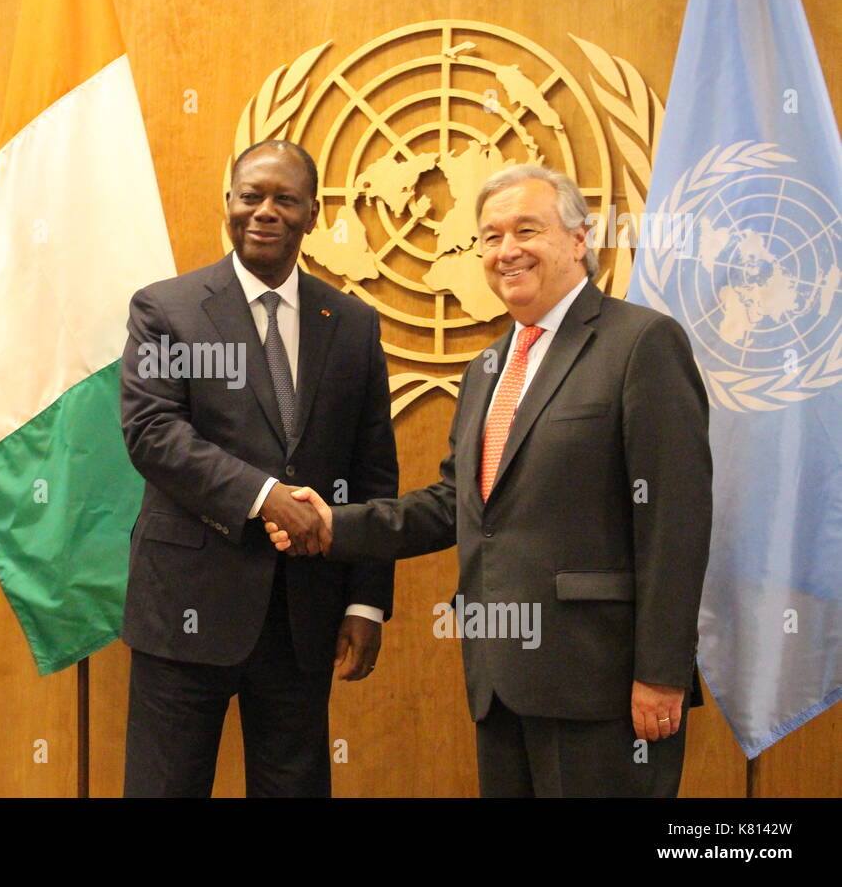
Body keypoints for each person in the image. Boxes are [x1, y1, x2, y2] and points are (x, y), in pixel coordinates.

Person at [268, 165, 712, 797]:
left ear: (580, 238)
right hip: (499, 680)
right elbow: (458, 503)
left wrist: (663, 673)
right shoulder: (489, 366)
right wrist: (335, 523)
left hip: (602, 685)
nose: (507, 251)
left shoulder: (641, 343)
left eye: (526, 230)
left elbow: (676, 522)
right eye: (491, 236)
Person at [119, 140, 399, 797]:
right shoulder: (168, 310)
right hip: (185, 608)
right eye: (251, 196)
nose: (265, 212)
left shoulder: (352, 324)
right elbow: (152, 433)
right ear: (229, 205)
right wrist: (264, 497)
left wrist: (366, 600)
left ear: (312, 212)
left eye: (284, 199)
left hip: (303, 617)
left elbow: (374, 473)